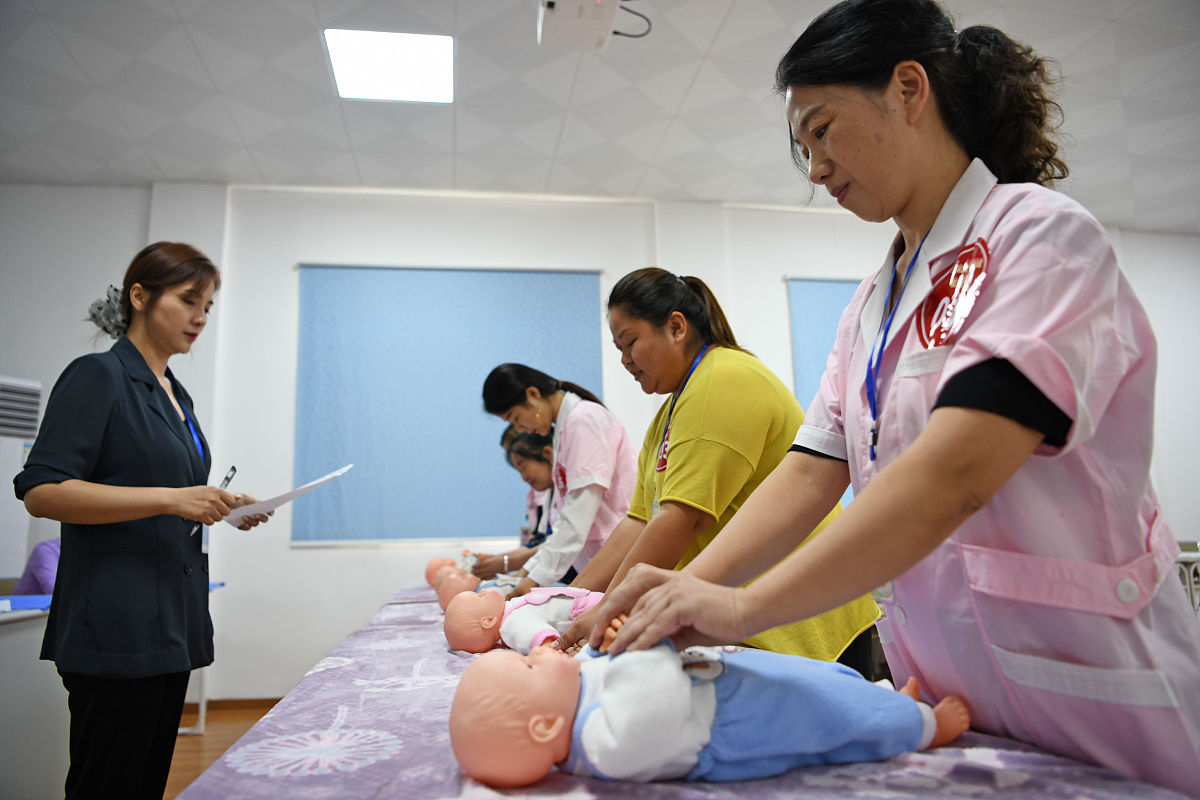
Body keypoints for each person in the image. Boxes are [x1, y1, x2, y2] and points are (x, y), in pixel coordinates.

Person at [589, 1, 1200, 795]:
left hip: (1088, 685)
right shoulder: (873, 304)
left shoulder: (1042, 237)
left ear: (908, 90)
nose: (813, 167)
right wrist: (698, 585)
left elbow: (960, 469)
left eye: (822, 128)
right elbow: (814, 470)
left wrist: (742, 609)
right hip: (951, 691)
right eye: (800, 143)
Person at [12, 242, 270, 800]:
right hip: (115, 624)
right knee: (107, 785)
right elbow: (42, 489)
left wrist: (222, 507)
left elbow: (171, 491)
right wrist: (173, 499)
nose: (201, 318)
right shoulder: (98, 376)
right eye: (188, 301)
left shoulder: (178, 395)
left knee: (146, 783)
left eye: (208, 306)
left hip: (171, 622)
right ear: (140, 297)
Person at [557, 268, 878, 668]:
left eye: (630, 343)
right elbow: (638, 523)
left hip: (799, 617)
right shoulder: (669, 414)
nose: (624, 360)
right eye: (618, 349)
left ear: (676, 327)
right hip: (746, 617)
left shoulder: (723, 380)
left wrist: (604, 610)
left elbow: (680, 520)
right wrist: (568, 605)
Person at [448, 627, 970, 787]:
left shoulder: (578, 698)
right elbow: (655, 696)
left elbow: (604, 671)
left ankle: (884, 702)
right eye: (531, 667)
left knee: (822, 681)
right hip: (733, 724)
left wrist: (604, 647)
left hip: (721, 684)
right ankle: (921, 727)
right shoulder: (603, 747)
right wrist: (636, 647)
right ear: (544, 726)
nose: (538, 655)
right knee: (823, 715)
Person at [482, 364, 636, 597]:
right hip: (602, 564)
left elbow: (576, 519)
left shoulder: (584, 421)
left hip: (620, 559)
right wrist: (526, 574)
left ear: (533, 394)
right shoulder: (566, 428)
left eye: (515, 419)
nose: (520, 428)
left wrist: (532, 580)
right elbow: (565, 524)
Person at [471, 431, 555, 581]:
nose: (524, 477)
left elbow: (559, 543)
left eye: (523, 466)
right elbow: (541, 541)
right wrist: (500, 561)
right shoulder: (548, 492)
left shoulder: (557, 490)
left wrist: (507, 563)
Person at [443, 585, 603, 653]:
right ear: (488, 620)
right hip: (592, 611)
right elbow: (539, 636)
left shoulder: (510, 610)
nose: (483, 590)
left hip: (592, 604)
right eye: (479, 596)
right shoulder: (512, 623)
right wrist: (549, 650)